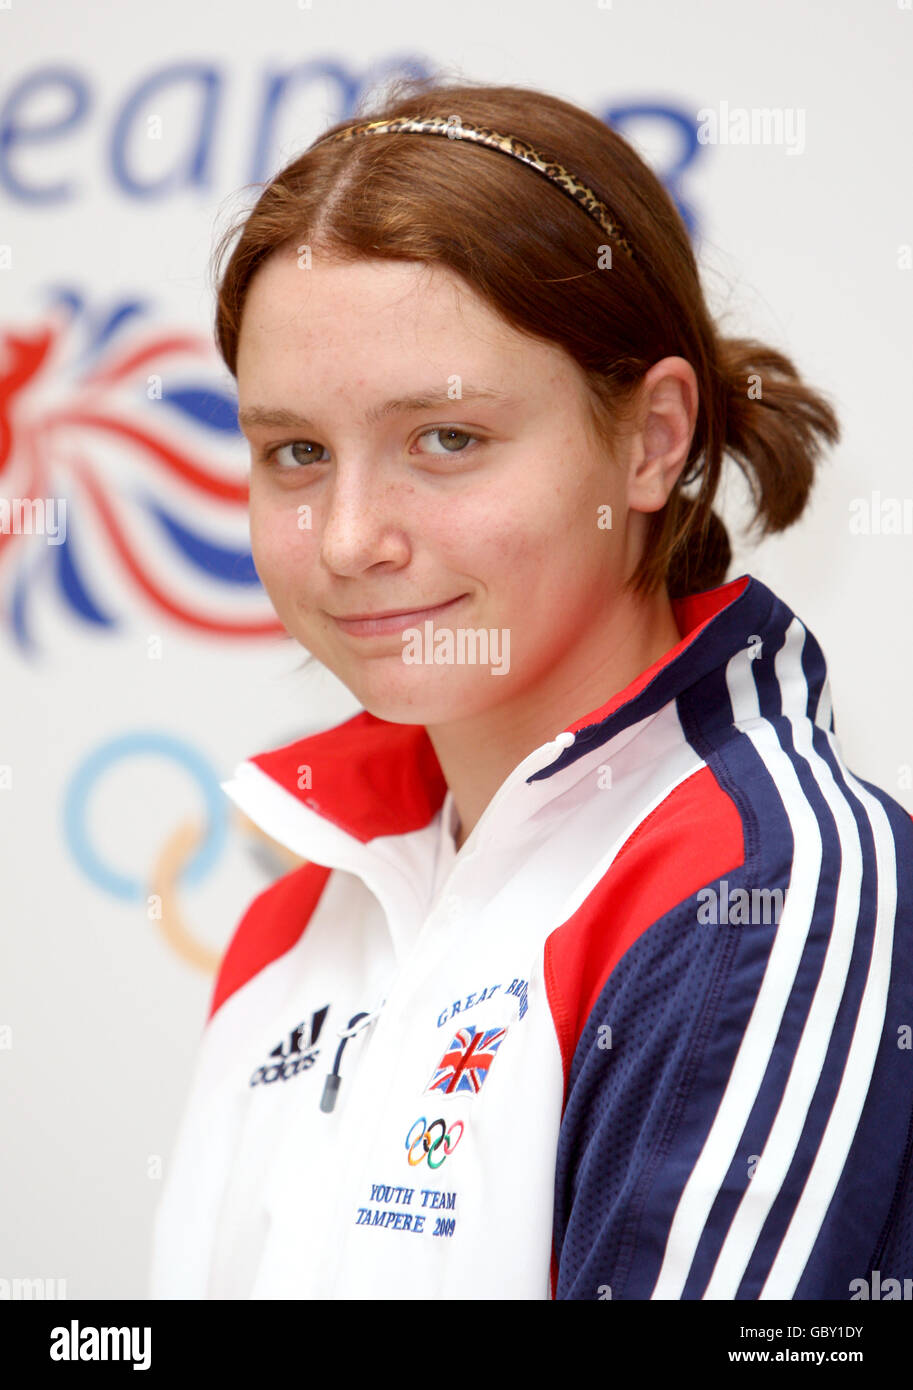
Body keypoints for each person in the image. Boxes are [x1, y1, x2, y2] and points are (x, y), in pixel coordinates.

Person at [148, 76, 913, 1300]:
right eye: (296, 452)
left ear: (652, 440)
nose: (348, 539)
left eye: (446, 440)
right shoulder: (289, 927)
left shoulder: (772, 885)